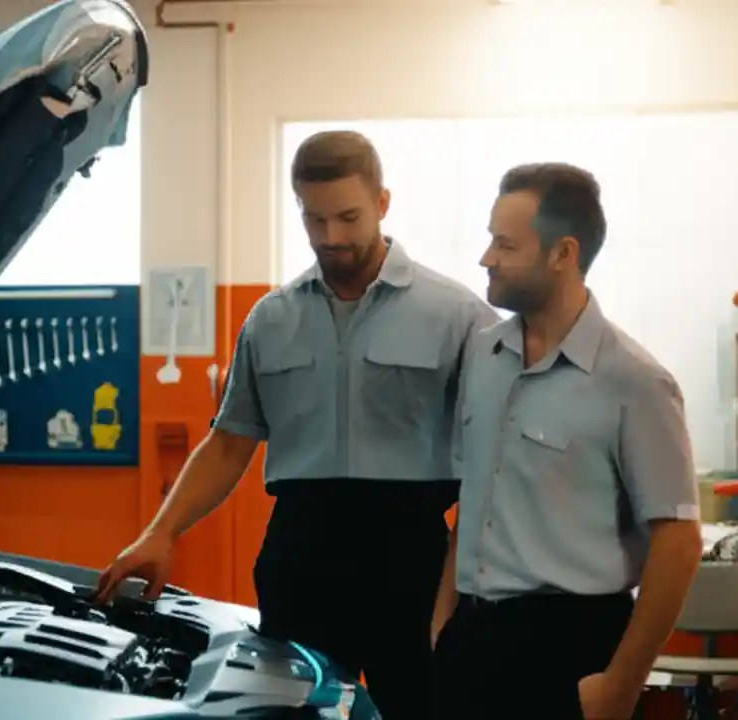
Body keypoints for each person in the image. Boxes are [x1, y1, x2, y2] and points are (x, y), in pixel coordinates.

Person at [94, 130, 495, 718]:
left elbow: (494, 458)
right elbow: (229, 441)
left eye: (348, 217)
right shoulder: (270, 319)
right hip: (301, 556)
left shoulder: (457, 316)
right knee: (288, 713)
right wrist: (162, 531)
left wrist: (465, 584)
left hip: (410, 563)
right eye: (314, 220)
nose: (331, 237)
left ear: (383, 203)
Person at [429, 162, 704, 720]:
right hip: (470, 643)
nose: (486, 259)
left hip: (569, 649)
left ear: (563, 254)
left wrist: (619, 687)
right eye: (489, 240)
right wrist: (444, 625)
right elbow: (477, 501)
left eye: (505, 245)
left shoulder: (635, 381)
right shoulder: (483, 356)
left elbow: (678, 544)